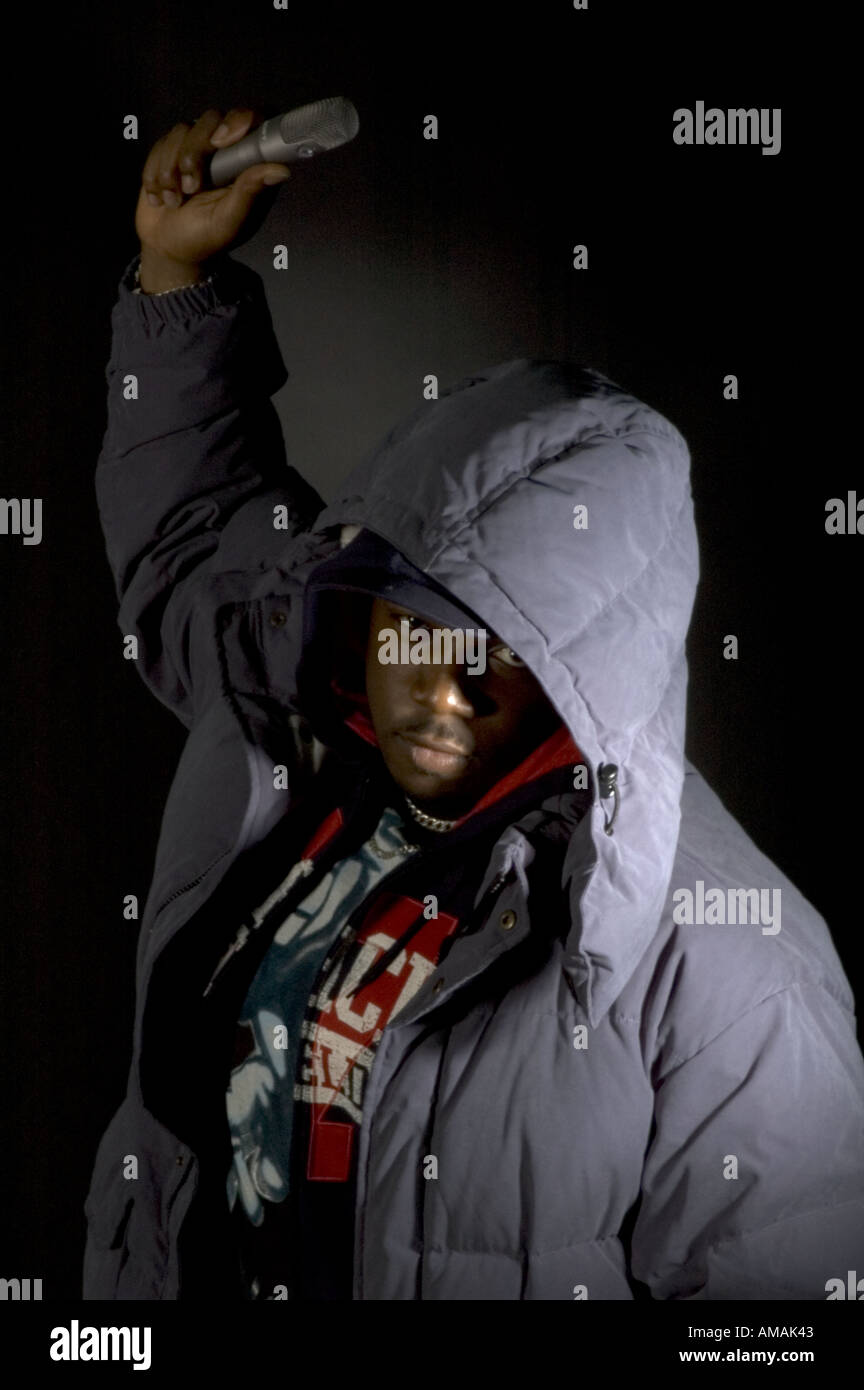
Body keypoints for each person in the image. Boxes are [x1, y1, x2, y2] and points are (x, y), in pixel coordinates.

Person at [84, 106, 864, 1302]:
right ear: (367, 607)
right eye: (421, 631)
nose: (443, 695)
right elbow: (195, 533)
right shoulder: (287, 707)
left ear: (586, 675)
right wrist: (177, 276)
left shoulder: (737, 966)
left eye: (504, 660)